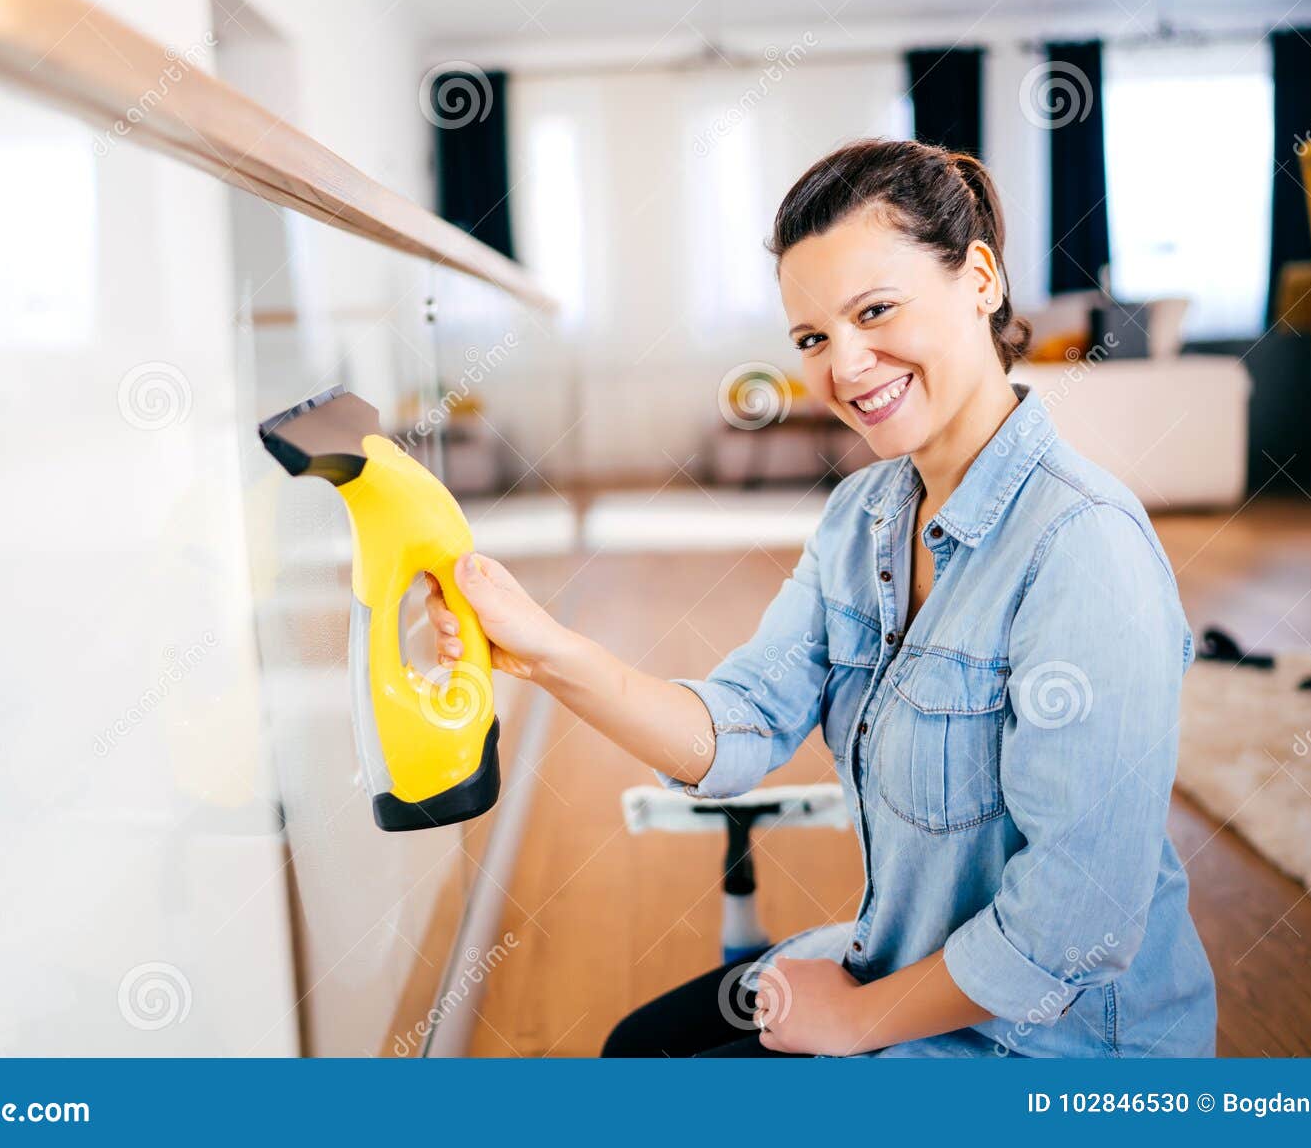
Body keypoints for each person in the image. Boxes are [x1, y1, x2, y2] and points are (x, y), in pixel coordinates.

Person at [425, 138, 1216, 1058]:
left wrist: (850, 1016)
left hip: (1056, 1051)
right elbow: (740, 723)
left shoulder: (1083, 548)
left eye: (875, 310)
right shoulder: (865, 516)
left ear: (981, 279)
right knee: (640, 1046)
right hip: (912, 963)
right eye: (812, 338)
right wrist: (549, 651)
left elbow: (1079, 921)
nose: (844, 368)